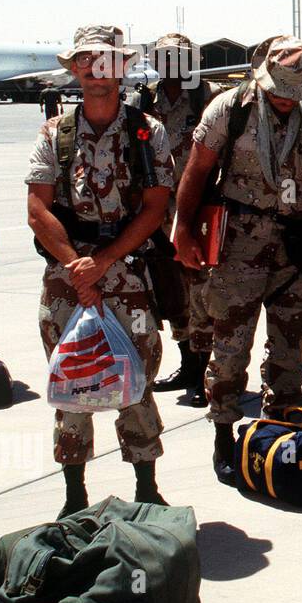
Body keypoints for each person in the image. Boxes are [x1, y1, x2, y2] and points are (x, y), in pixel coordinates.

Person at [173, 35, 302, 483]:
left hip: (300, 242)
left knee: (291, 341)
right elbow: (198, 169)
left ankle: (280, 422)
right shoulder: (229, 108)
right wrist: (183, 230)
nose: (288, 100)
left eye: (297, 92)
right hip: (240, 244)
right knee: (231, 342)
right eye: (281, 91)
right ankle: (222, 430)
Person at [27, 25, 173, 516]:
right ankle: (75, 496)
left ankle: (146, 488)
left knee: (136, 382)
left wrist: (105, 262)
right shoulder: (53, 134)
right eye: (87, 62)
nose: (97, 72)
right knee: (72, 381)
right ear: (74, 69)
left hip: (126, 273)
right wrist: (77, 266)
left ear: (123, 69)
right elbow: (37, 210)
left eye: (109, 62)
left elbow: (155, 209)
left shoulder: (147, 132)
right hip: (69, 280)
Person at [127, 33, 223, 406]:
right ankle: (186, 365)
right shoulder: (143, 100)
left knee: (202, 291)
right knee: (169, 290)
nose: (170, 64)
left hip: (196, 209)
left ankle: (203, 372)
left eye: (178, 57)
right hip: (154, 211)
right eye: (163, 57)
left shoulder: (207, 96)